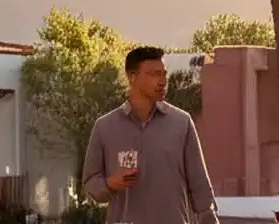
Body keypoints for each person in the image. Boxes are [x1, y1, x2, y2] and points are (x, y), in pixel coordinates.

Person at [81, 46, 219, 224]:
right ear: (132, 77)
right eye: (154, 74)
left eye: (164, 74)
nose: (162, 81)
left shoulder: (181, 123)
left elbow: (200, 187)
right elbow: (90, 182)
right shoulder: (105, 127)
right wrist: (110, 184)